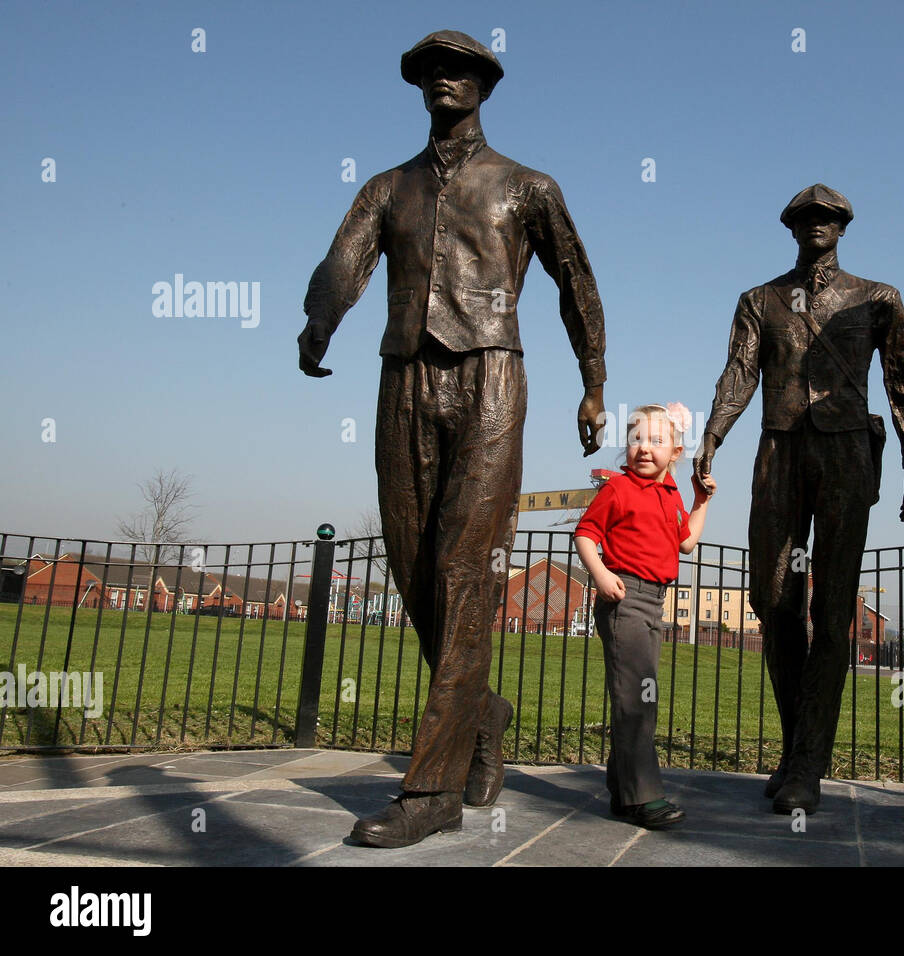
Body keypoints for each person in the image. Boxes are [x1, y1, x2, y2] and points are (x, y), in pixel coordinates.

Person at [298, 30, 608, 848]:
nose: (446, 78)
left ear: (484, 85)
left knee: (464, 563)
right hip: (402, 376)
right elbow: (343, 261)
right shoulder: (385, 188)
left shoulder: (527, 186)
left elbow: (577, 282)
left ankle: (430, 788)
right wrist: (319, 323)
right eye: (433, 70)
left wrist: (594, 383)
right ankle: (482, 710)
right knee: (413, 563)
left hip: (492, 378)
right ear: (419, 86)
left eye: (461, 69)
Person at [695, 185, 904, 814]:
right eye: (806, 217)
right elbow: (739, 372)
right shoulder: (758, 300)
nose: (817, 224)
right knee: (773, 599)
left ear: (843, 227)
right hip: (779, 450)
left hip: (847, 450)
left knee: (831, 609)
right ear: (791, 227)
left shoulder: (878, 299)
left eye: (828, 218)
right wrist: (712, 436)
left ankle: (805, 763)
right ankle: (802, 747)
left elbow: (900, 379)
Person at [574, 403, 716, 829]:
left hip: (655, 603)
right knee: (638, 699)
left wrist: (701, 499)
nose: (643, 448)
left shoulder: (671, 495)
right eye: (636, 439)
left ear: (675, 451)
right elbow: (584, 534)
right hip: (625, 599)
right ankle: (645, 797)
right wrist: (599, 573)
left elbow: (686, 542)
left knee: (638, 696)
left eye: (656, 441)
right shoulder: (618, 489)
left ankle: (623, 792)